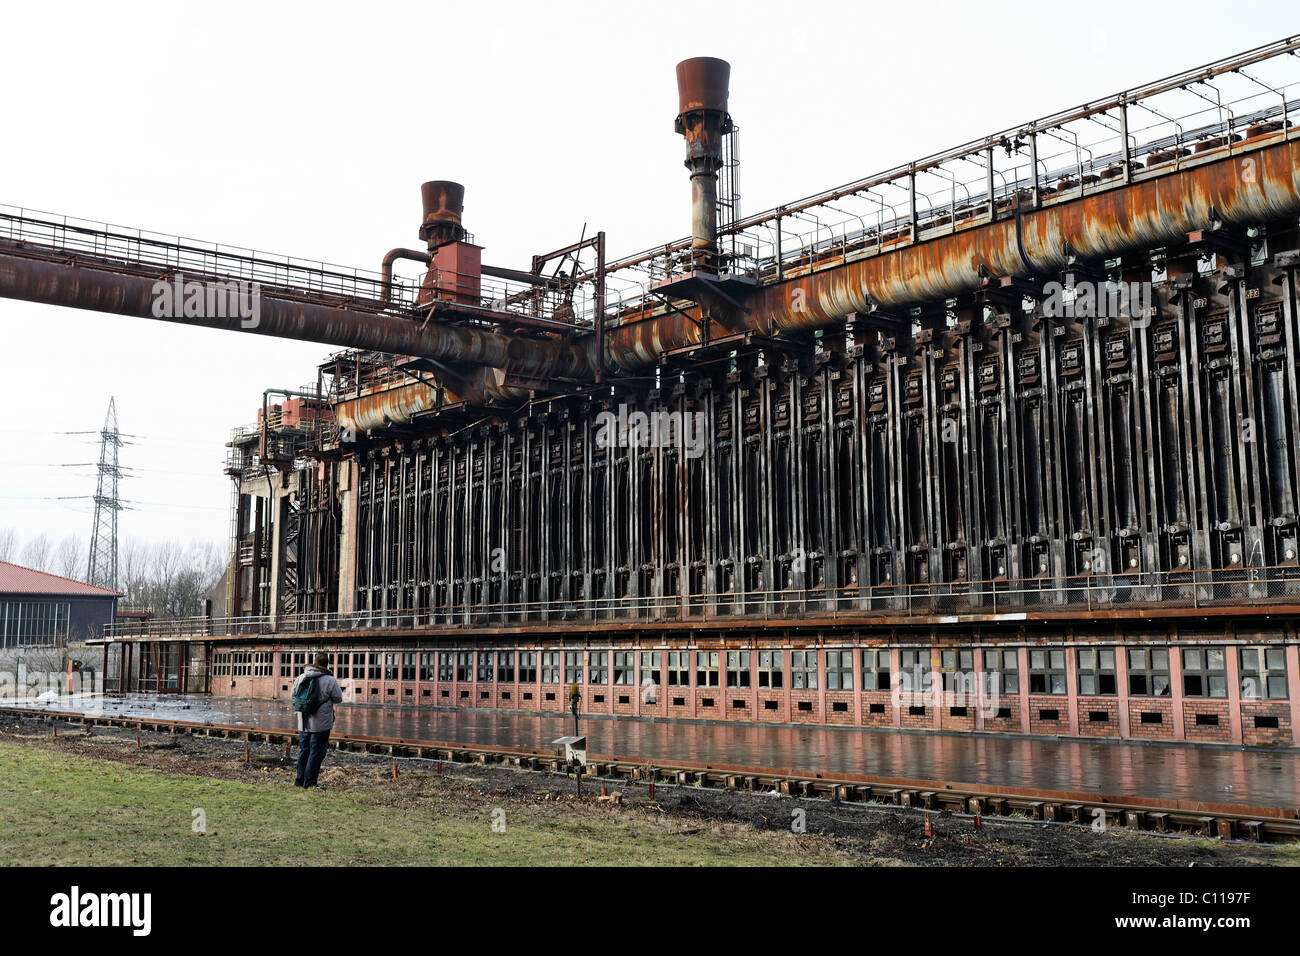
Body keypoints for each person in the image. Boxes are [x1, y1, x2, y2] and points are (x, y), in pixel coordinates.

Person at [292, 652, 343, 789]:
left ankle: (299, 781)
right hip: (320, 725)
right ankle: (310, 783)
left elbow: (293, 695)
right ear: (326, 665)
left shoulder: (301, 677)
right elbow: (338, 698)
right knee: (316, 753)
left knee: (304, 751)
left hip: (303, 722)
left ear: (314, 662)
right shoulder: (329, 680)